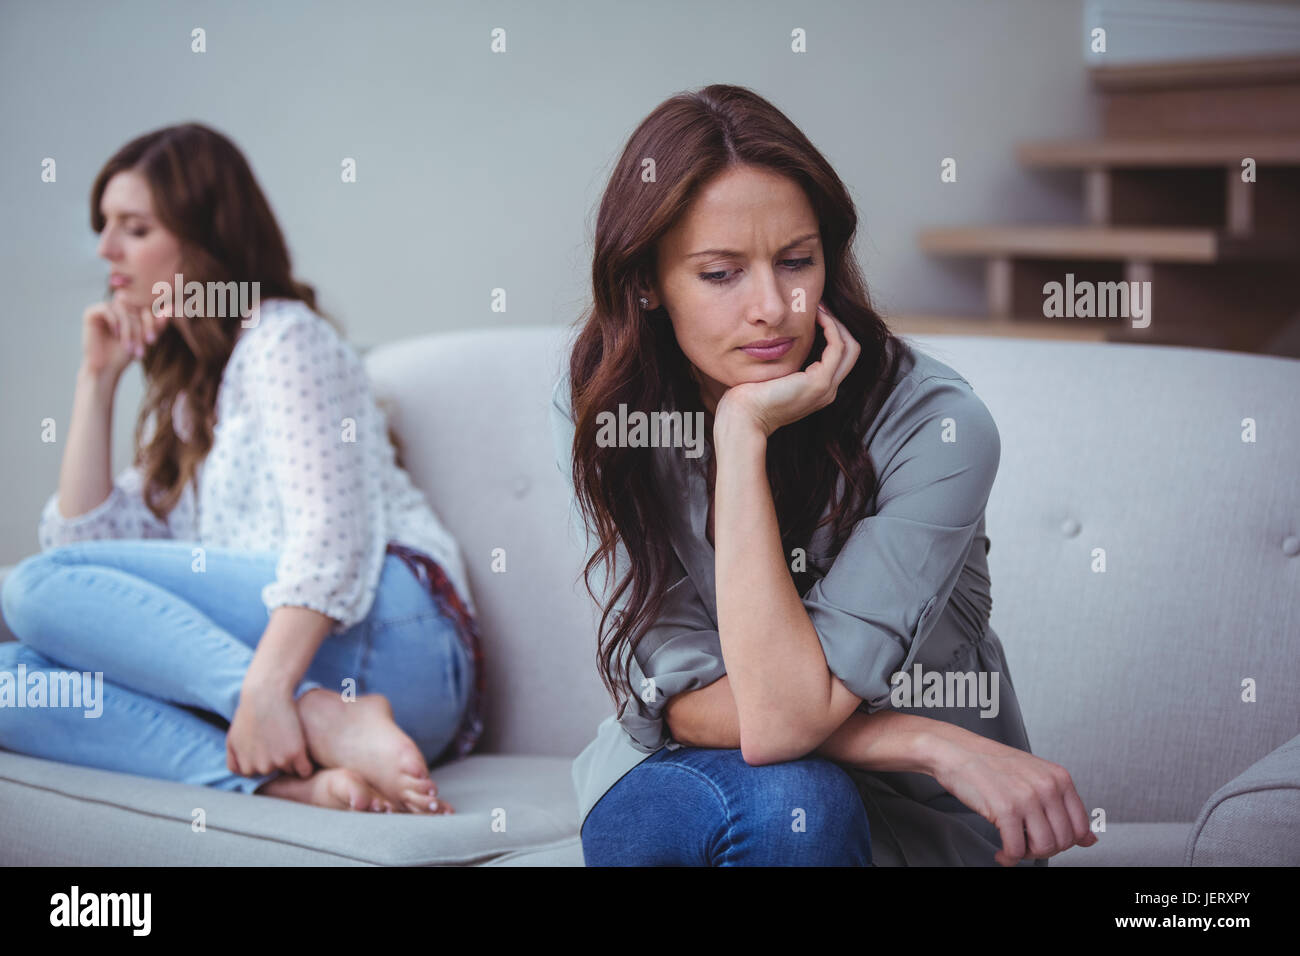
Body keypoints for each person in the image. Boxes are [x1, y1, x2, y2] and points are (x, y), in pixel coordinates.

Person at [551, 84, 1099, 866]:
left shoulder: (936, 428)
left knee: (795, 803)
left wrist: (739, 433)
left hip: (918, 820)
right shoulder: (606, 405)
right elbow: (682, 704)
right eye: (720, 274)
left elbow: (777, 717)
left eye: (796, 262)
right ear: (646, 283)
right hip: (696, 783)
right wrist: (920, 737)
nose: (772, 306)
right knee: (786, 796)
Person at [0, 123, 483, 815]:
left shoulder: (284, 338)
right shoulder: (190, 407)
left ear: (203, 241)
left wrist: (263, 692)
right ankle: (287, 781)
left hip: (400, 637)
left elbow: (332, 536)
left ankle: (314, 714)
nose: (105, 249)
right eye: (103, 226)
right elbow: (86, 557)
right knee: (15, 682)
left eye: (134, 228)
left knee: (32, 588)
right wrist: (96, 381)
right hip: (303, 670)